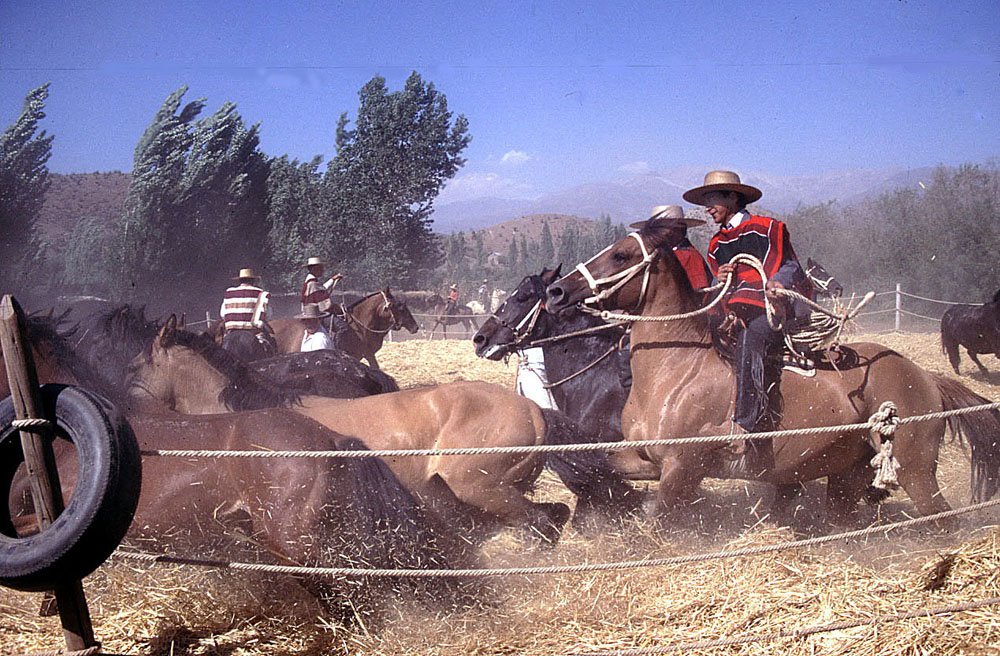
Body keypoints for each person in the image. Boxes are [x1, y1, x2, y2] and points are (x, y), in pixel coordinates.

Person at [683, 170, 809, 475]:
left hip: (771, 310)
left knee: (752, 338)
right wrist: (720, 278)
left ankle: (746, 423)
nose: (708, 208)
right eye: (705, 202)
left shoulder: (767, 229)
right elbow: (719, 284)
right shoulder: (717, 242)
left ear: (732, 198)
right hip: (735, 310)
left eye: (712, 200)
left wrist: (778, 281)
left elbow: (791, 265)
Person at [631, 205, 712, 293]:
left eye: (661, 228)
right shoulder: (657, 254)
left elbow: (700, 292)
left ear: (679, 230)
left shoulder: (690, 256)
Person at [219, 267, 275, 359]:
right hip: (253, 333)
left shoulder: (229, 292)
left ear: (240, 281)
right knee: (269, 347)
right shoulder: (260, 293)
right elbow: (268, 315)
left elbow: (222, 314)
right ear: (253, 281)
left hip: (231, 333)